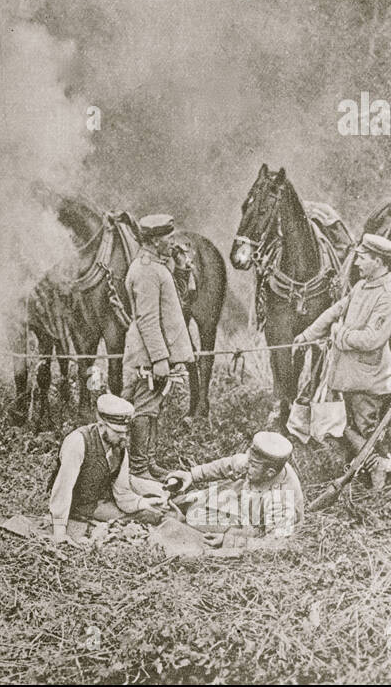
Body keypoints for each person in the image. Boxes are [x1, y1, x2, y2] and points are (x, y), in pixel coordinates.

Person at [295, 233, 391, 488]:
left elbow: (372, 340)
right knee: (343, 426)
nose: (356, 263)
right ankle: (362, 475)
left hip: (369, 379)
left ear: (378, 261)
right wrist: (307, 335)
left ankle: (379, 480)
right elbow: (336, 311)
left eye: (363, 259)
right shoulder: (361, 286)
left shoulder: (390, 296)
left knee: (367, 431)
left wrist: (338, 334)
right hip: (348, 375)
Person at [122, 214, 194, 480]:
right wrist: (160, 358)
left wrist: (183, 268)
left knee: (154, 407)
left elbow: (176, 302)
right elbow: (147, 319)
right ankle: (139, 469)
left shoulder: (156, 265)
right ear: (154, 241)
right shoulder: (146, 270)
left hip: (155, 353)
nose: (172, 242)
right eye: (168, 238)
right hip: (148, 355)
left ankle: (148, 462)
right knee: (144, 408)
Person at [48, 393, 167, 545]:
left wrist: (143, 503)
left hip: (99, 501)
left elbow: (122, 492)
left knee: (151, 514)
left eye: (125, 432)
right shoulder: (78, 442)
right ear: (101, 426)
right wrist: (59, 532)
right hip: (75, 507)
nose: (123, 437)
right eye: (117, 432)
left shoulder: (119, 449)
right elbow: (62, 491)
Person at [166, 431, 303, 549]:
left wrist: (229, 540)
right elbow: (228, 465)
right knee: (192, 503)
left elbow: (277, 544)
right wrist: (192, 475)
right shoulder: (257, 464)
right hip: (245, 500)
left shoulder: (281, 500)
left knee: (194, 519)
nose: (246, 465)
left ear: (270, 473)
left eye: (252, 465)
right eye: (248, 459)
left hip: (258, 525)